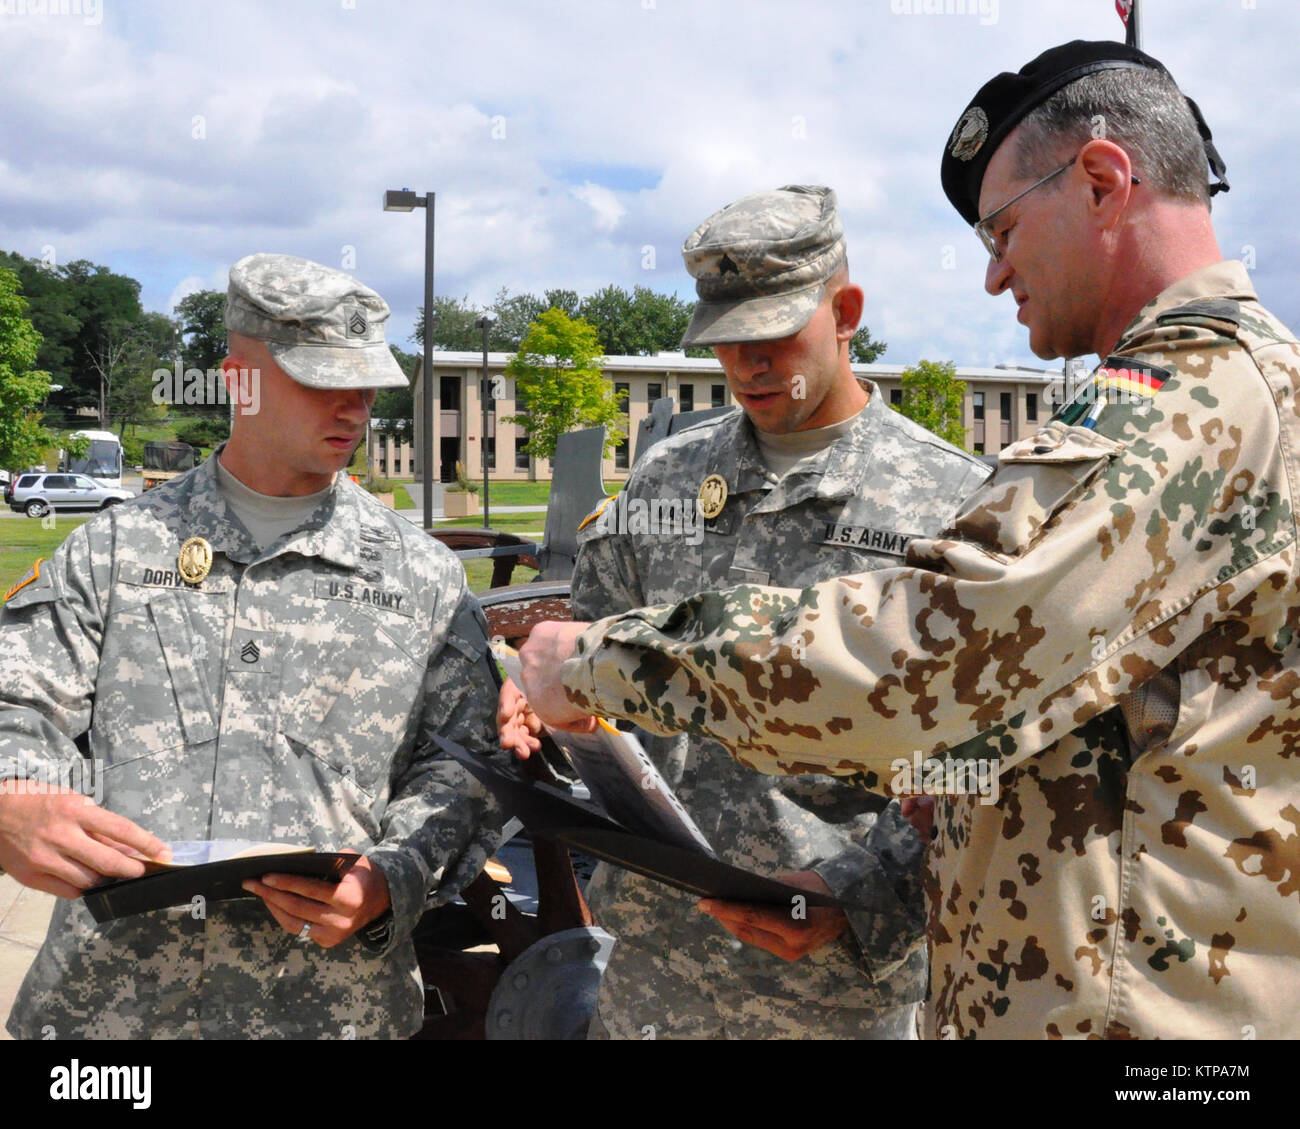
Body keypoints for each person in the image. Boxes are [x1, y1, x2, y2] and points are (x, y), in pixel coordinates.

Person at [518, 41, 1300, 1039]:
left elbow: (934, 657)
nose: (992, 273)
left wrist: (593, 665)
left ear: (1103, 182)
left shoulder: (1190, 403)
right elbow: (1028, 720)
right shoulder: (1188, 395)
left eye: (1004, 227)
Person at [501, 186, 990, 1039]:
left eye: (772, 336)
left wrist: (869, 893)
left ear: (847, 313)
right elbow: (589, 655)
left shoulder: (952, 502)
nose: (747, 364)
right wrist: (537, 703)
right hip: (653, 970)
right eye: (728, 341)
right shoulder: (666, 481)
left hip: (831, 990)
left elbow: (981, 754)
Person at [0, 253, 502, 1039]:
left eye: (366, 381)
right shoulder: (118, 549)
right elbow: (16, 698)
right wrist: (14, 798)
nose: (356, 404)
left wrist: (392, 875)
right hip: (112, 1014)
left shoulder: (422, 576)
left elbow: (468, 765)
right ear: (240, 379)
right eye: (321, 379)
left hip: (332, 1010)